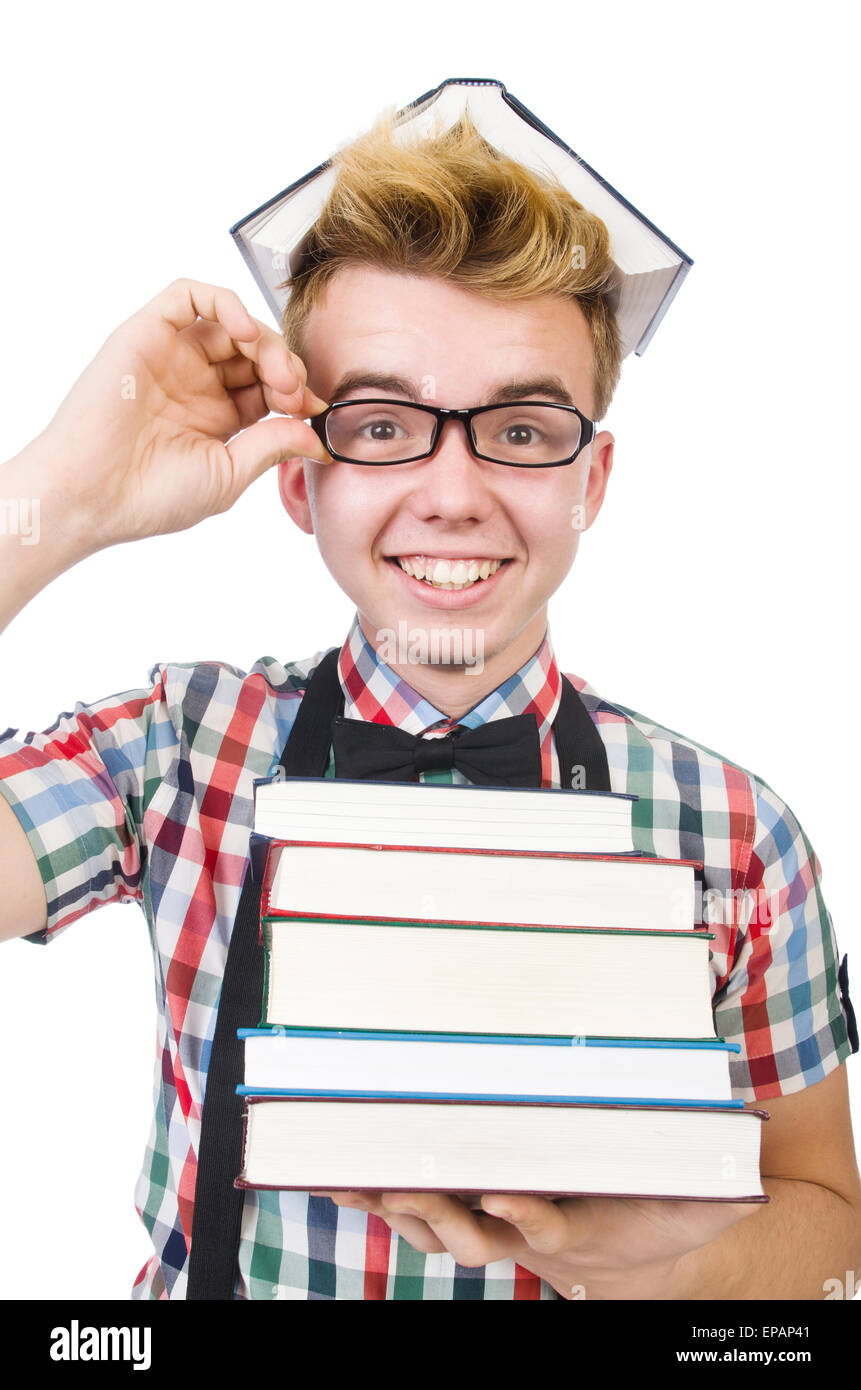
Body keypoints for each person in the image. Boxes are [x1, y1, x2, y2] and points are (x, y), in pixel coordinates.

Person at [0, 109, 859, 1303]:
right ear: (300, 478)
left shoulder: (735, 832)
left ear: (590, 480)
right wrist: (58, 496)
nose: (453, 495)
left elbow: (827, 1234)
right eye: (385, 427)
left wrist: (631, 1261)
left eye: (519, 429)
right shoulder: (175, 748)